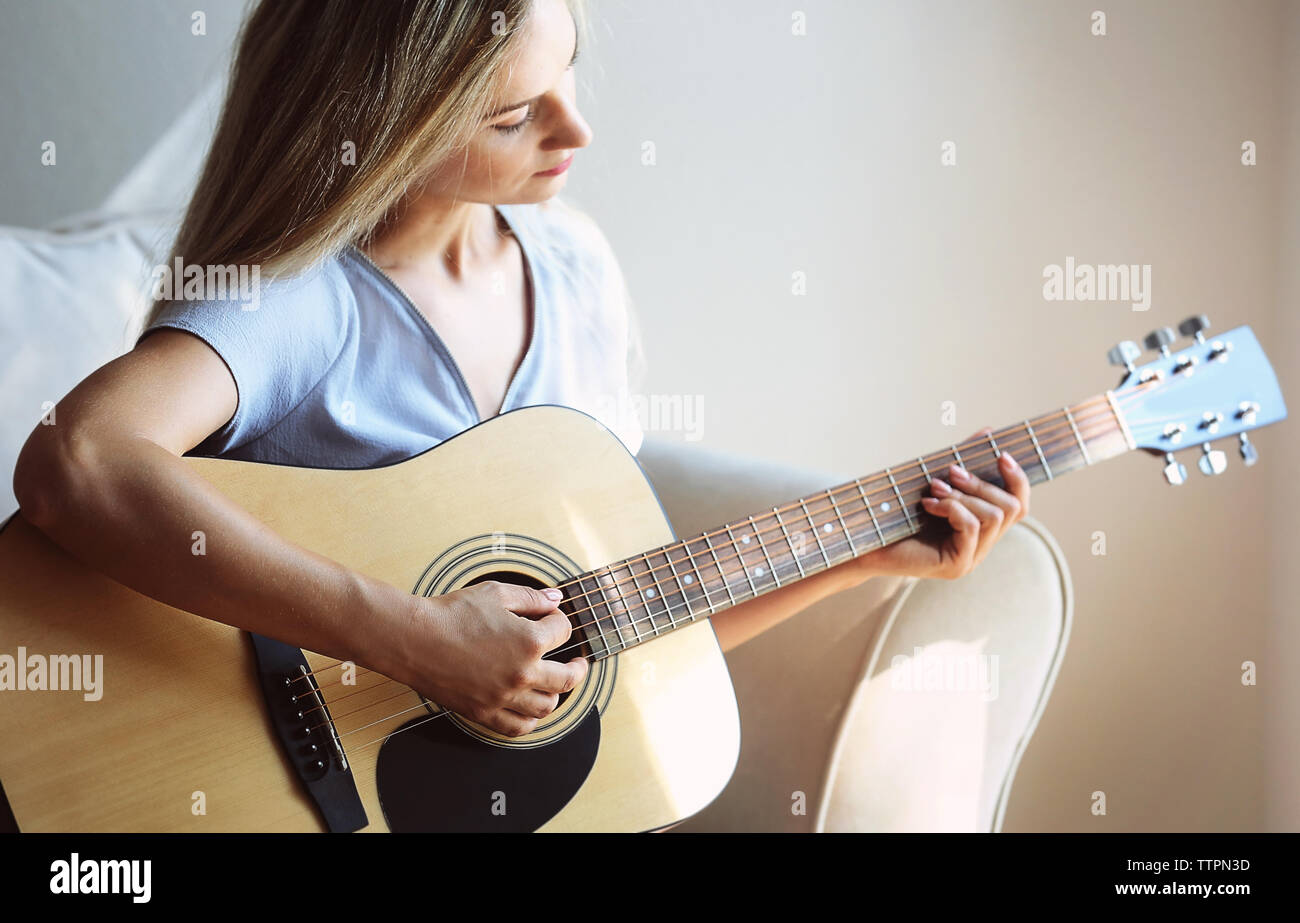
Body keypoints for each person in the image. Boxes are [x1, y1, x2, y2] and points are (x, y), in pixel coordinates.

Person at [11, 0, 1029, 743]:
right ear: (384, 125)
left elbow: (602, 641)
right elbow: (77, 462)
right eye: (511, 117)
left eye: (569, 71)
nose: (576, 132)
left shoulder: (577, 268)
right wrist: (412, 637)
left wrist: (862, 555)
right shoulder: (296, 300)